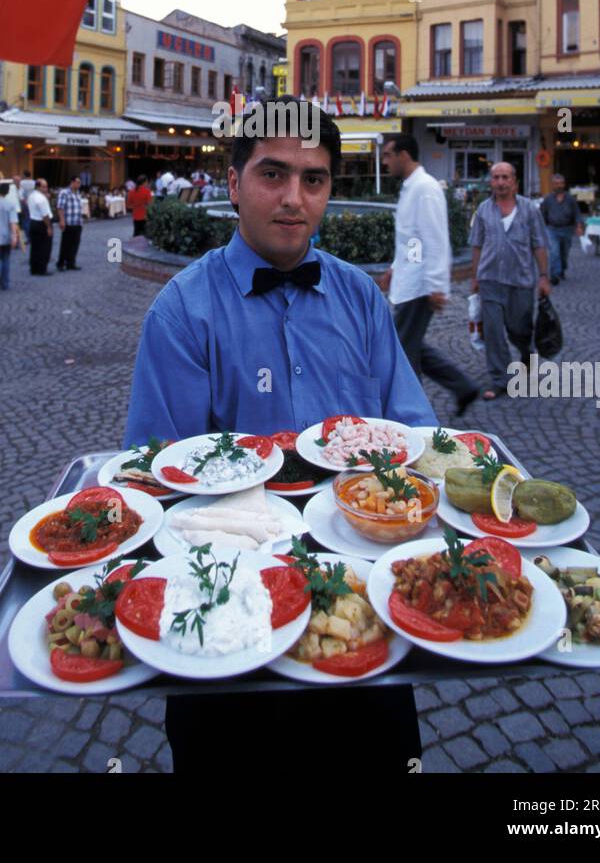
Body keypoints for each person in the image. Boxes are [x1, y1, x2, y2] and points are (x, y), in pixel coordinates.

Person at [124, 96, 436, 775]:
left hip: (360, 610)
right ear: (233, 184)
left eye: (314, 179)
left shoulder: (360, 297)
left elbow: (412, 432)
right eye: (273, 174)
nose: (294, 199)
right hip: (227, 621)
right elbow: (154, 477)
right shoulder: (182, 312)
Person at [380, 133, 480, 417]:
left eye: (388, 155)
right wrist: (395, 268)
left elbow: (435, 239)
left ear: (404, 155)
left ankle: (413, 417)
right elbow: (413, 240)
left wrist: (437, 286)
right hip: (411, 281)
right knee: (409, 346)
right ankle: (463, 387)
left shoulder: (425, 188)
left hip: (421, 286)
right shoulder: (412, 187)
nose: (385, 161)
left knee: (402, 353)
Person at [469, 161, 551, 399]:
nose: (501, 182)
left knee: (520, 328)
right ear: (491, 182)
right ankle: (499, 379)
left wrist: (544, 277)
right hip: (490, 280)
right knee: (493, 331)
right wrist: (475, 277)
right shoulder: (483, 210)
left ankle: (526, 352)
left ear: (515, 182)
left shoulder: (529, 210)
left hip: (521, 280)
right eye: (496, 178)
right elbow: (476, 245)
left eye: (505, 177)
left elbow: (539, 244)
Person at [540, 173, 584, 284]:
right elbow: (541, 215)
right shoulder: (548, 199)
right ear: (552, 185)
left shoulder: (570, 199)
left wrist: (579, 226)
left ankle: (562, 270)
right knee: (554, 252)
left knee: (564, 253)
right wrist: (540, 229)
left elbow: (577, 213)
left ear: (564, 184)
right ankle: (554, 275)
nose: (559, 186)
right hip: (552, 229)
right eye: (556, 184)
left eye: (561, 183)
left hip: (567, 229)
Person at [56, 176, 84, 270]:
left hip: (77, 223)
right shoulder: (64, 193)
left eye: (80, 183)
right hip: (68, 223)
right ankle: (61, 263)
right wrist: (62, 220)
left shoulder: (77, 193)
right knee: (65, 244)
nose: (79, 184)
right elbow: (60, 207)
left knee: (75, 244)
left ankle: (71, 263)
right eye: (77, 182)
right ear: (72, 182)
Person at [27, 178, 54, 275]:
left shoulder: (32, 196)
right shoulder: (41, 199)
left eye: (46, 187)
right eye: (44, 187)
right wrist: (49, 227)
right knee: (44, 247)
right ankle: (42, 269)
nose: (46, 189)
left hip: (33, 221)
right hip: (42, 223)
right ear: (38, 187)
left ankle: (34, 267)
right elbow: (45, 215)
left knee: (35, 247)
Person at [18, 168, 35, 240]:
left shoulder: (22, 183)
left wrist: (23, 201)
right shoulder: (34, 182)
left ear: (24, 175)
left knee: (25, 220)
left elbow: (20, 194)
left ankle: (28, 236)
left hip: (25, 202)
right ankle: (32, 235)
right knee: (32, 219)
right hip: (33, 202)